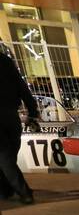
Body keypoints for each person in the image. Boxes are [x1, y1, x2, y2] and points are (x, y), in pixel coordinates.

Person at [0, 47, 38, 204]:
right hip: (11, 116)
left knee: (5, 157)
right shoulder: (5, 61)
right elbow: (21, 86)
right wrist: (32, 111)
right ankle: (6, 190)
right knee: (9, 155)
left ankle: (23, 192)